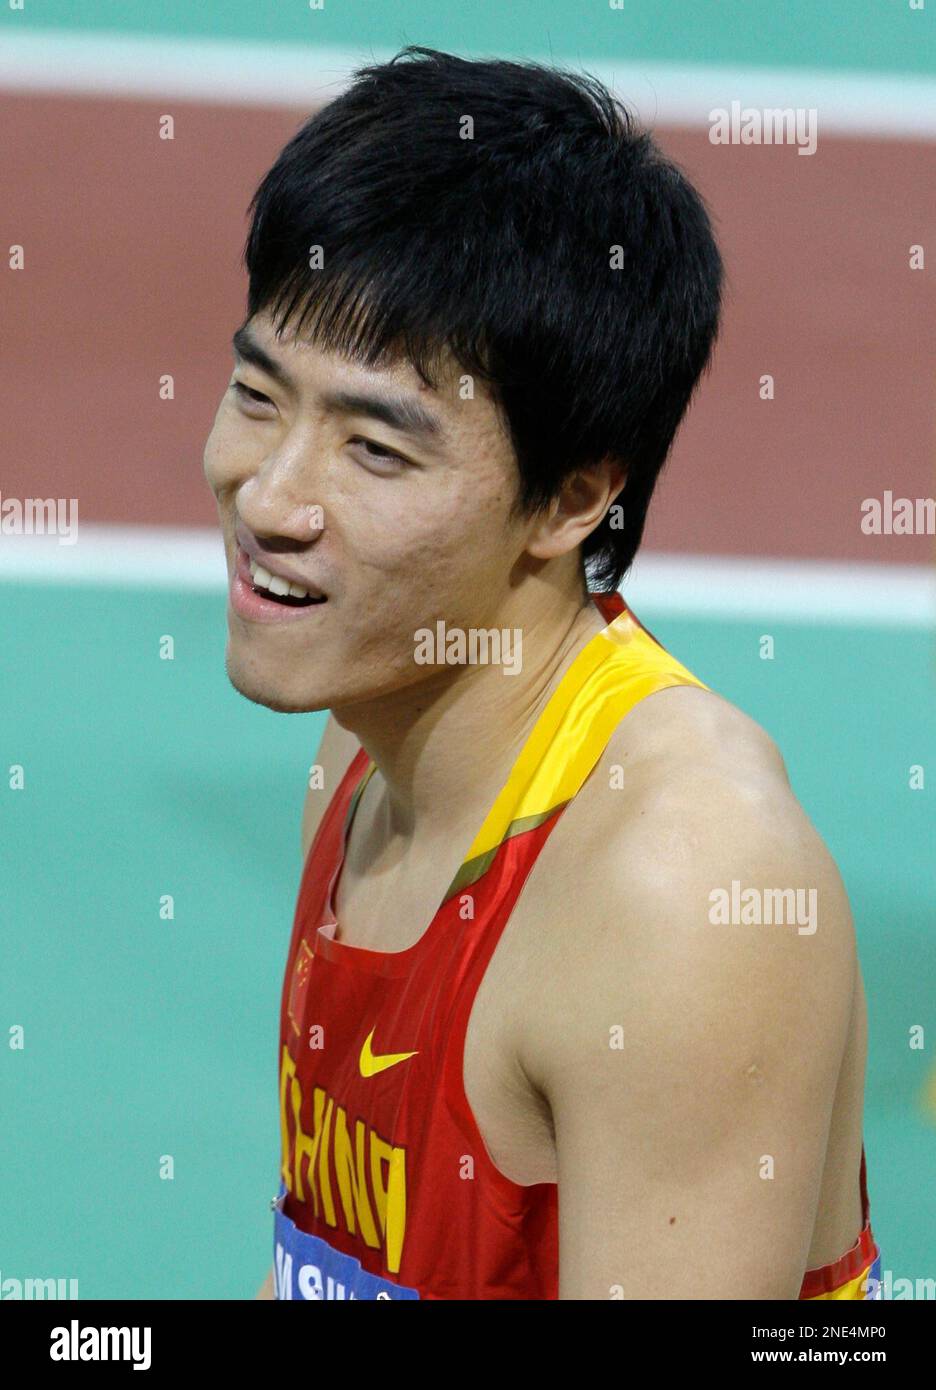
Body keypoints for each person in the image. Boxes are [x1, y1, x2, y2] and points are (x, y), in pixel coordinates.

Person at [203, 46, 879, 1300]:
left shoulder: (684, 888)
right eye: (257, 392)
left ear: (571, 498)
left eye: (375, 450)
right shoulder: (363, 743)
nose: (271, 496)